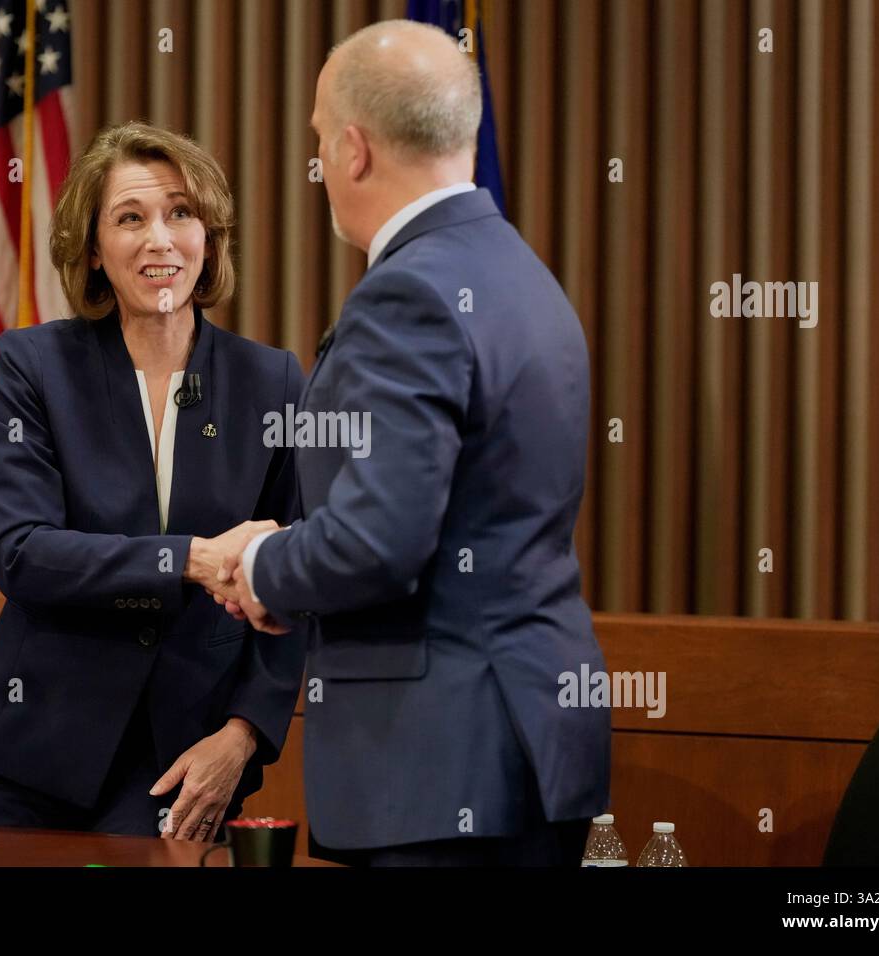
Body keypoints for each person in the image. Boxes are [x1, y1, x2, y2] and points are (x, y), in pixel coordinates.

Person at [220, 20, 611, 865]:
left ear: (354, 150)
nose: (320, 164)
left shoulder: (410, 296)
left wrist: (259, 567)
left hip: (438, 765)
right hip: (527, 741)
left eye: (320, 140)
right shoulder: (526, 279)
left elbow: (377, 540)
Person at [0, 122, 306, 842]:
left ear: (208, 235)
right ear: (92, 249)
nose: (160, 239)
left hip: (185, 763)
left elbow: (294, 584)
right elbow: (21, 551)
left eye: (181, 212)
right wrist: (190, 558)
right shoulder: (35, 366)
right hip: (32, 760)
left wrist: (241, 738)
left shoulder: (272, 382)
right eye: (130, 218)